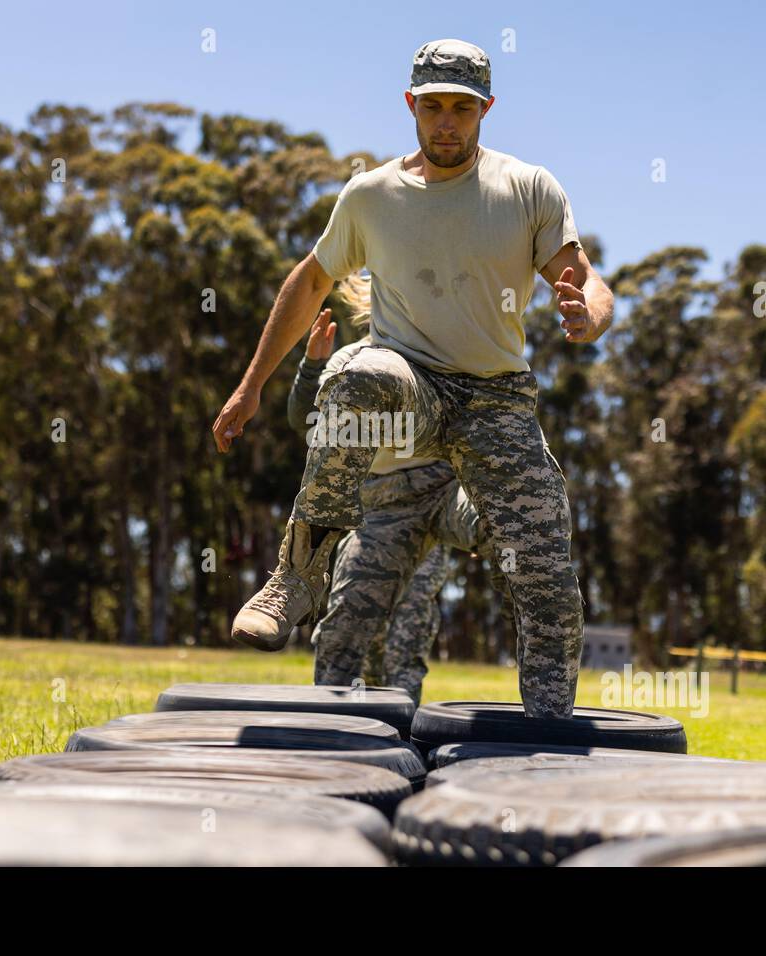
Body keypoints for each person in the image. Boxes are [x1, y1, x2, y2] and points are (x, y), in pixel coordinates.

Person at [212, 38, 613, 716]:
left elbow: (585, 278)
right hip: (411, 383)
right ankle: (294, 576)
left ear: (487, 108)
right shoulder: (371, 196)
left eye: (463, 107)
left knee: (546, 569)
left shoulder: (527, 187)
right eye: (434, 108)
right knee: (359, 372)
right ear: (411, 105)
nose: (447, 123)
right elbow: (310, 280)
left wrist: (591, 314)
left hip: (495, 400)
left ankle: (550, 729)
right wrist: (249, 387)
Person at [286, 277, 515, 704]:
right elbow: (305, 417)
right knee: (349, 622)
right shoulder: (352, 360)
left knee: (409, 629)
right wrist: (311, 366)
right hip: (378, 508)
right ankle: (344, 723)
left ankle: (408, 725)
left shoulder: (443, 357)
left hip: (443, 491)